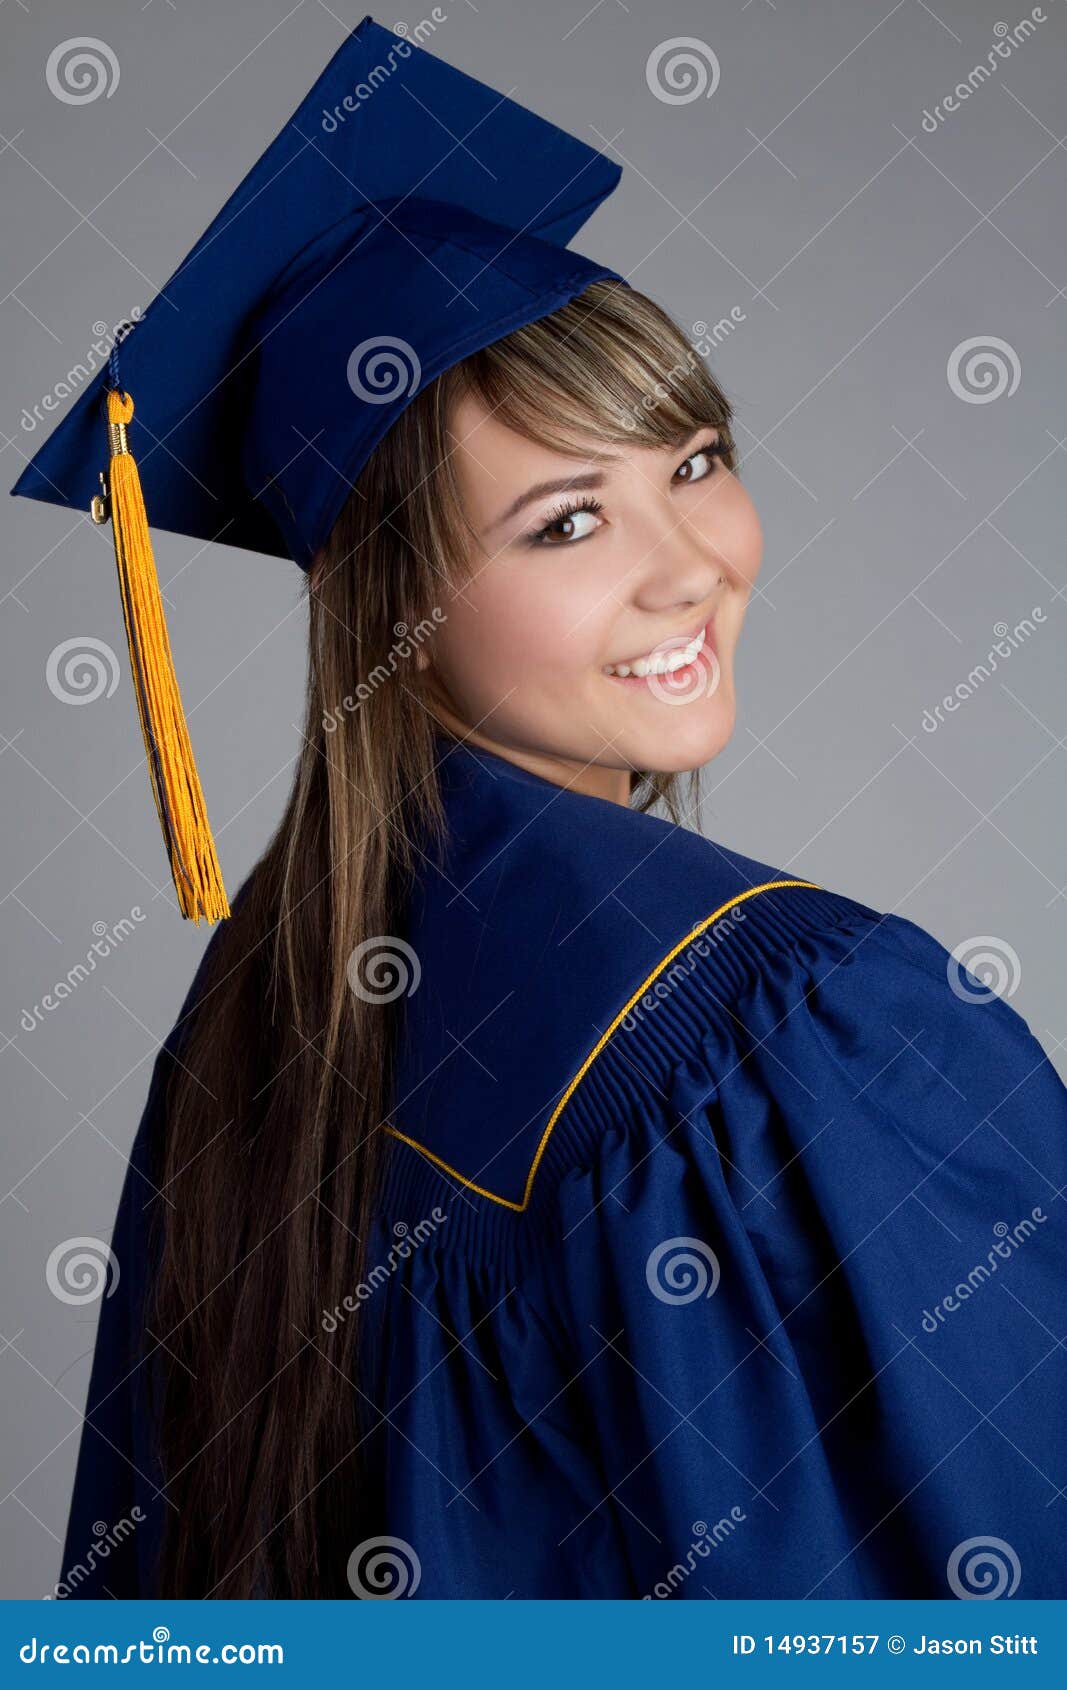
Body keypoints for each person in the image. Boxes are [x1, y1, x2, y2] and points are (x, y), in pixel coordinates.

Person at [15, 20, 1066, 1601]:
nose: (689, 563)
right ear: (393, 615)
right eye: (565, 519)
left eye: (695, 459)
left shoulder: (254, 1028)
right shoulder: (787, 1020)